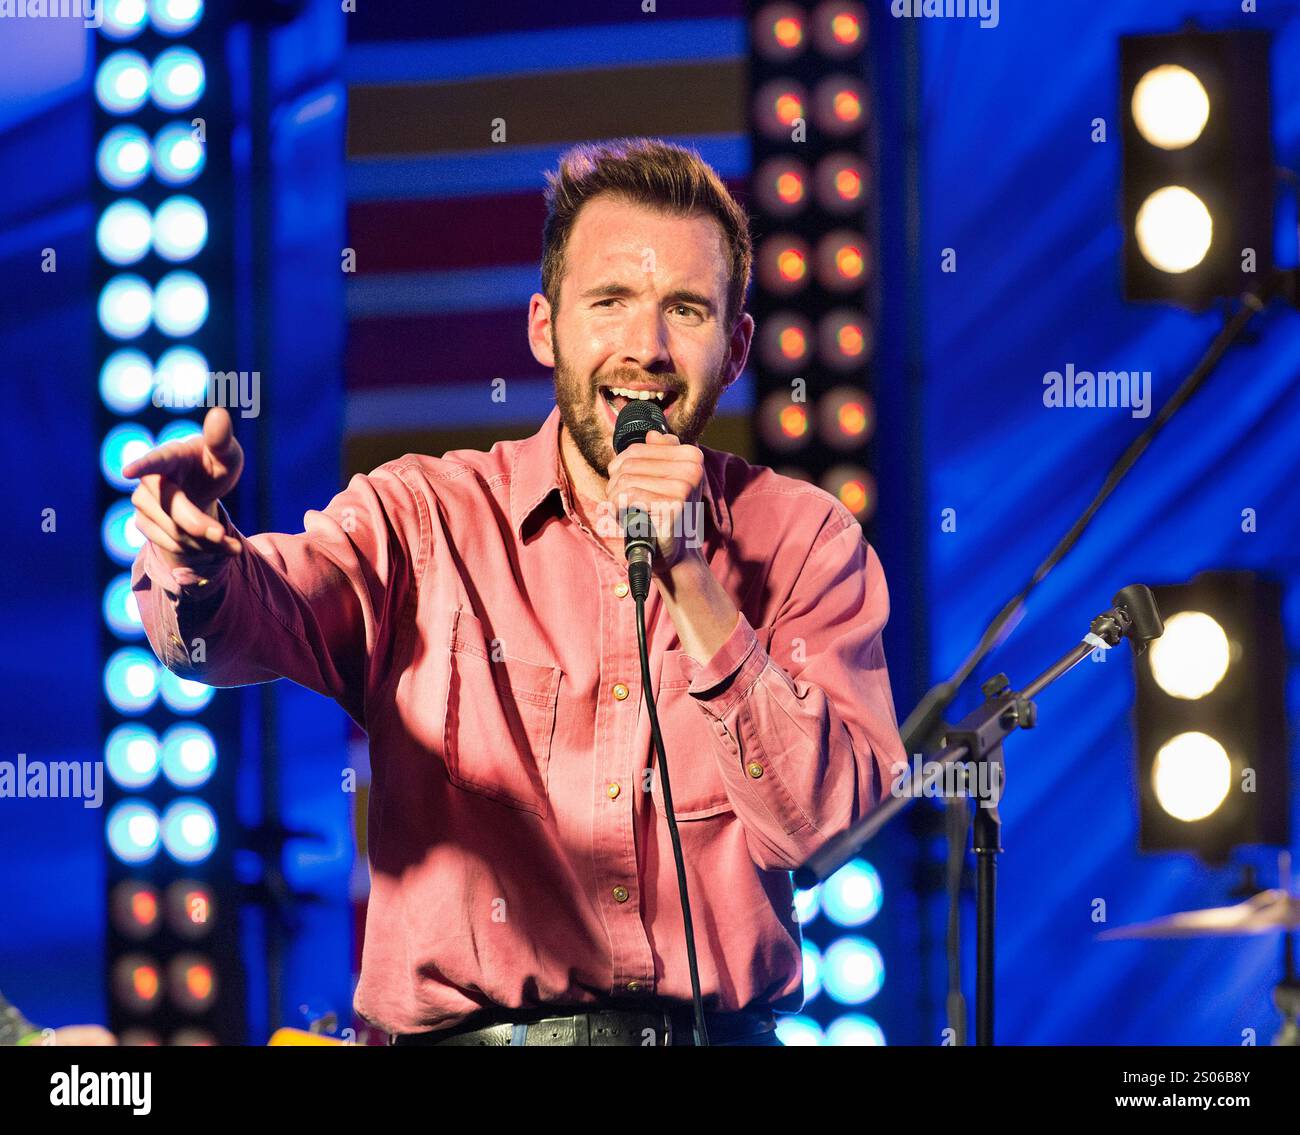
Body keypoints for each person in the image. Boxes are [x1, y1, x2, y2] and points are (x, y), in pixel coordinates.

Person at [125, 137, 907, 1046]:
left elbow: (827, 831)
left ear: (735, 348)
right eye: (609, 302)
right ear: (545, 327)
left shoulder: (805, 539)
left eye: (684, 309)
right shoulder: (425, 519)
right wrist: (199, 559)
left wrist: (691, 574)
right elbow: (244, 626)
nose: (645, 349)